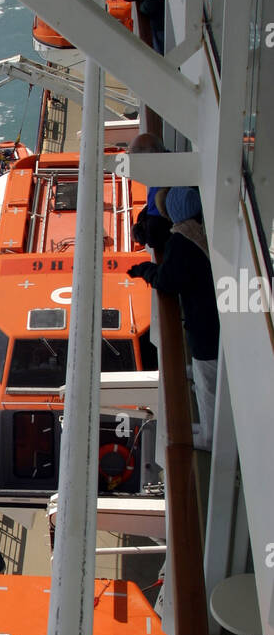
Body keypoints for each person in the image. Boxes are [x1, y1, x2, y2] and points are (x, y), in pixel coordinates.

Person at [128, 187, 218, 450]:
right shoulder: (204, 230)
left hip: (206, 323)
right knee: (206, 374)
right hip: (218, 311)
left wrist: (146, 270)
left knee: (207, 381)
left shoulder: (183, 241)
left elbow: (168, 280)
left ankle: (210, 435)